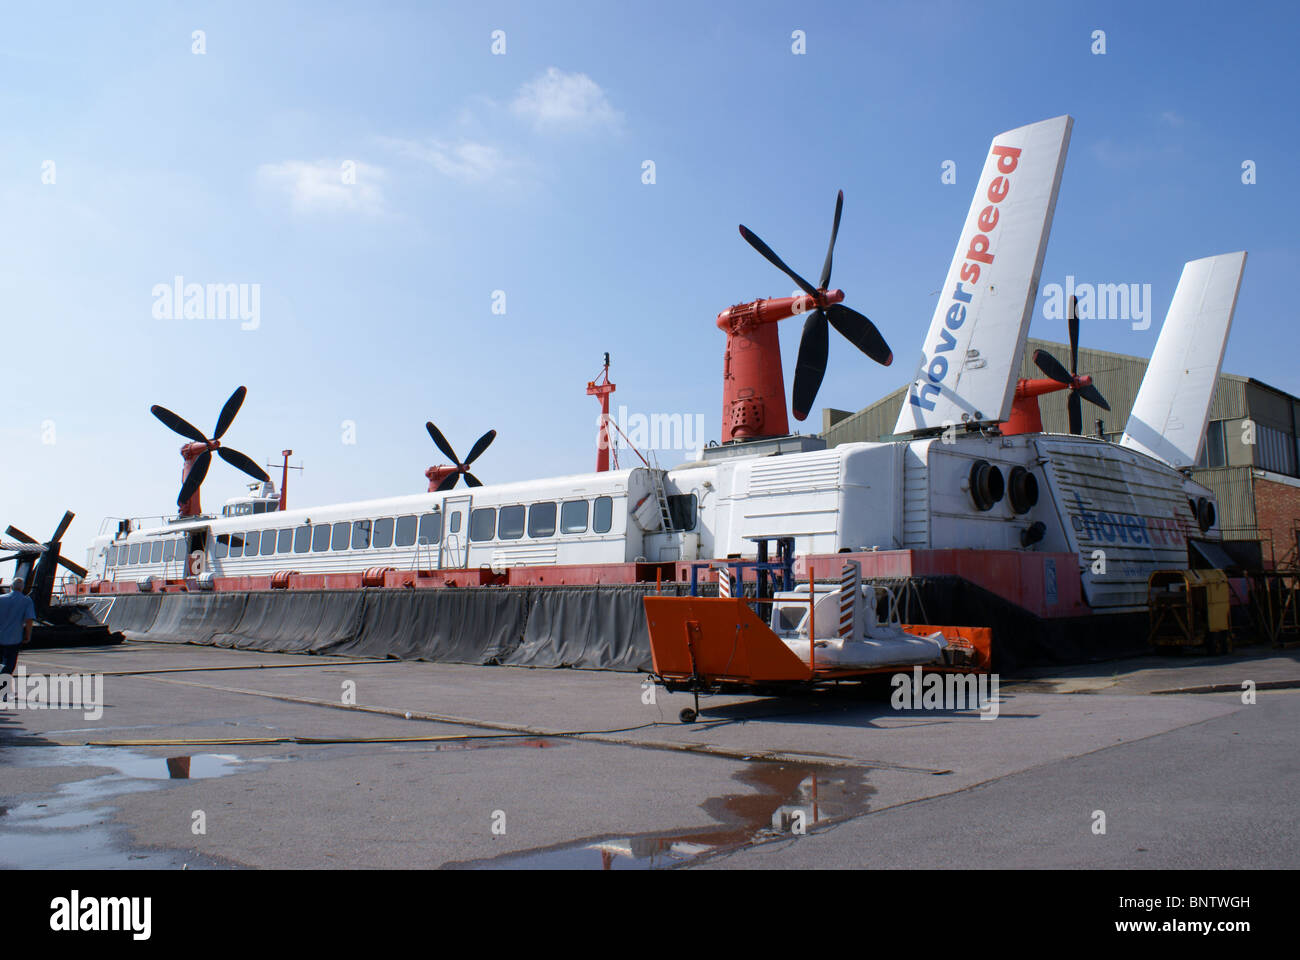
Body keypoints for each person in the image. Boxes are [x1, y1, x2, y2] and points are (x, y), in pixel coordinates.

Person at [0, 577, 37, 675]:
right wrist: (28, 636)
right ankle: (4, 687)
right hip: (14, 638)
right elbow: (29, 620)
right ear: (23, 588)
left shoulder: (1, 599)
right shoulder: (26, 601)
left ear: (11, 586)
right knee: (9, 664)